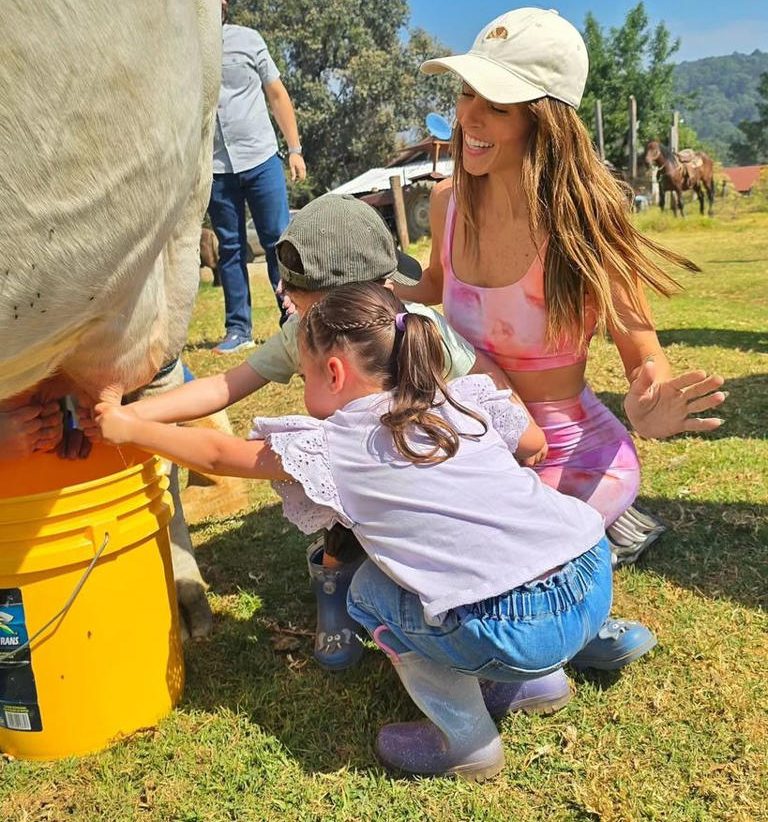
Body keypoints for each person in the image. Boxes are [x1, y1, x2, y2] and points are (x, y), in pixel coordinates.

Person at [93, 282, 613, 780]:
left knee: (368, 591)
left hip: (516, 627)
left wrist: (132, 428)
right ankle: (537, 684)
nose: (304, 388)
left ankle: (466, 741)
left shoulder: (342, 443)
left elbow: (219, 454)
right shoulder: (457, 399)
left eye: (305, 377)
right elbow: (529, 442)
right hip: (590, 580)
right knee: (501, 562)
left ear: (335, 372)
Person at [84, 194, 545, 675]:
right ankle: (337, 602)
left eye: (294, 294)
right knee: (340, 535)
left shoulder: (417, 327)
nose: (288, 301)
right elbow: (225, 385)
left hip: (424, 478)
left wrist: (523, 433)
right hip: (355, 474)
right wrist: (138, 414)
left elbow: (481, 379)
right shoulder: (306, 331)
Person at [396, 7, 725, 666]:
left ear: (543, 121)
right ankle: (571, 600)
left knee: (484, 554)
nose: (470, 119)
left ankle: (567, 606)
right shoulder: (446, 203)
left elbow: (642, 348)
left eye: (498, 105)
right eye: (466, 95)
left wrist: (649, 399)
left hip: (567, 449)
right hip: (467, 431)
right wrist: (362, 295)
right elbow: (434, 286)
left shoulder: (585, 219)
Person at [210, 0, 306, 351]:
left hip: (261, 158)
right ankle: (238, 330)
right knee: (230, 248)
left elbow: (277, 94)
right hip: (215, 166)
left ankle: (294, 318)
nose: (217, 1)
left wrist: (294, 150)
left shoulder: (248, 40)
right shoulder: (186, 46)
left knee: (278, 243)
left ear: (227, 3)